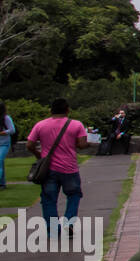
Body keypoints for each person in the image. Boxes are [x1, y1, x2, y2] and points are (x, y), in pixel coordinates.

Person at [25, 98, 90, 235]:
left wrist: (39, 155)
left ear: (51, 110)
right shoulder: (76, 124)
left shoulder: (40, 125)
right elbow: (82, 144)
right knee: (74, 194)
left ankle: (53, 229)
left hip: (48, 169)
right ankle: (69, 222)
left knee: (49, 199)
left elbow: (29, 145)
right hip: (69, 167)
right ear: (67, 110)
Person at [0, 102, 14, 190]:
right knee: (0, 163)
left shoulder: (6, 118)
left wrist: (3, 132)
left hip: (4, 144)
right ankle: (2, 184)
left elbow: (12, 130)